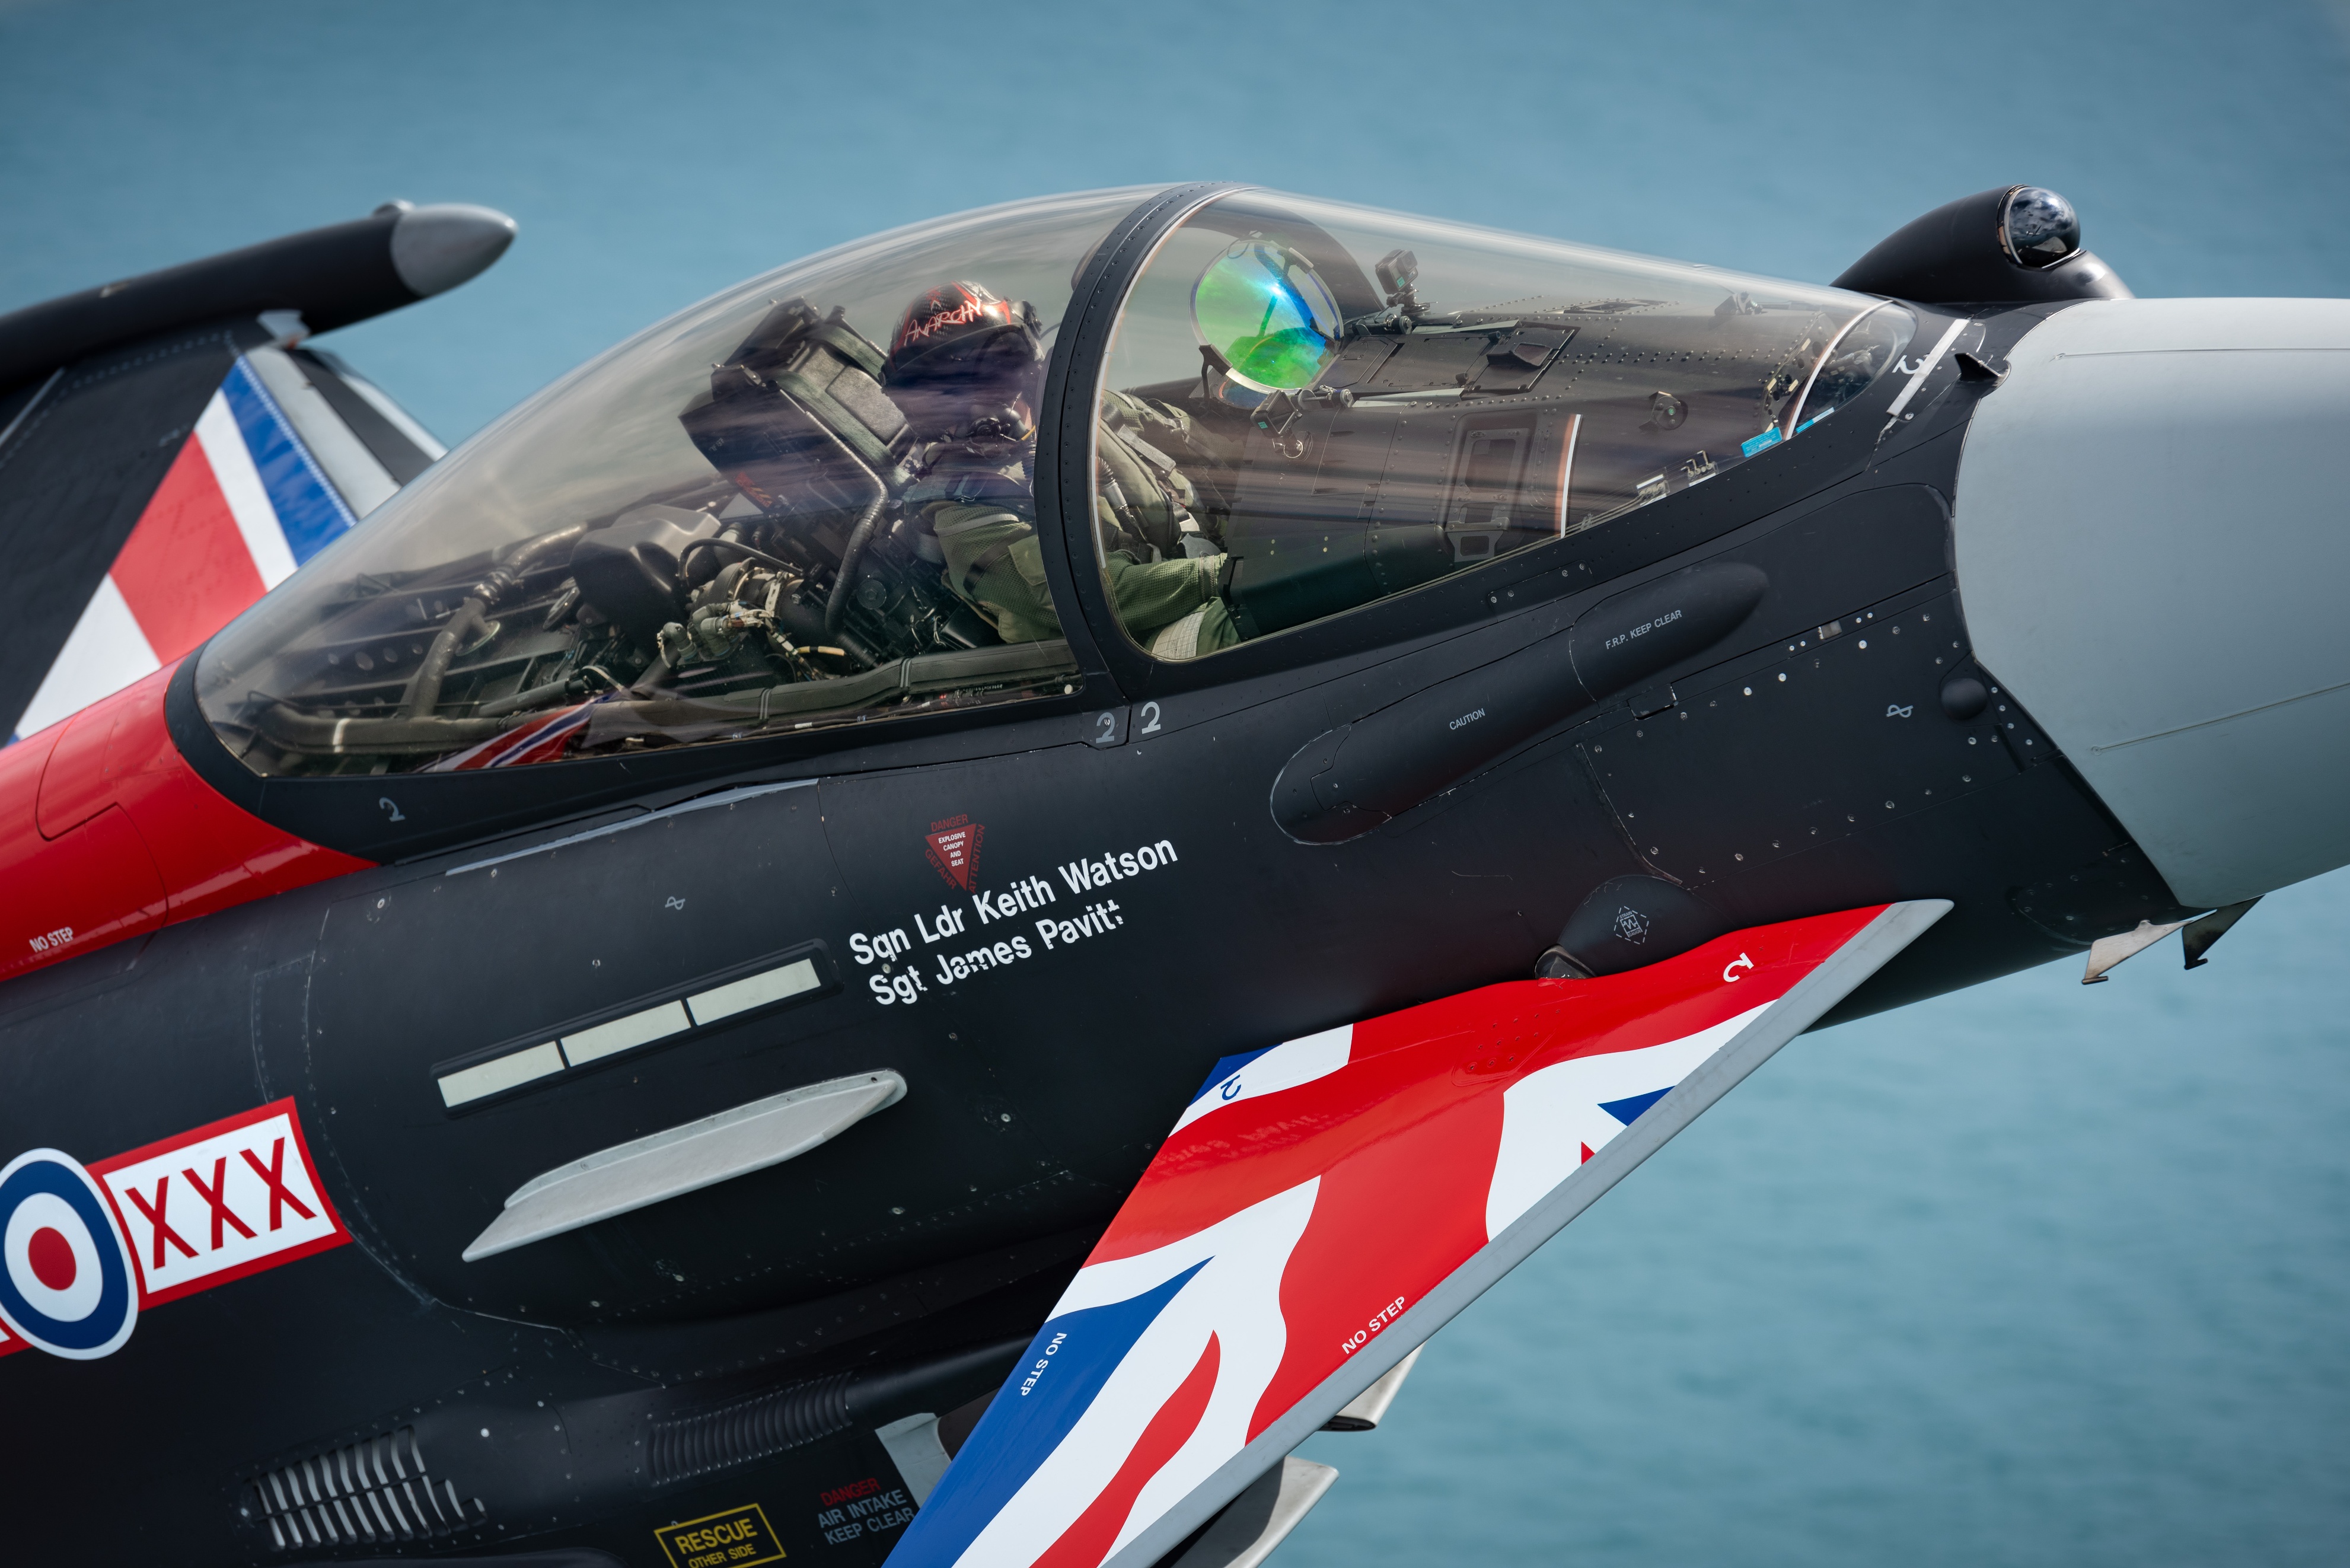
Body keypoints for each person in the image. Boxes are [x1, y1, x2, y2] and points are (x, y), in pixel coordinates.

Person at [883, 282, 1241, 659]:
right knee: (1272, 610)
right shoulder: (964, 514)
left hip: (1216, 566)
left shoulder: (1086, 411)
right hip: (1138, 652)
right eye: (949, 397)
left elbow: (1206, 444)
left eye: (997, 370)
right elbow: (1093, 597)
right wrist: (1230, 574)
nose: (983, 407)